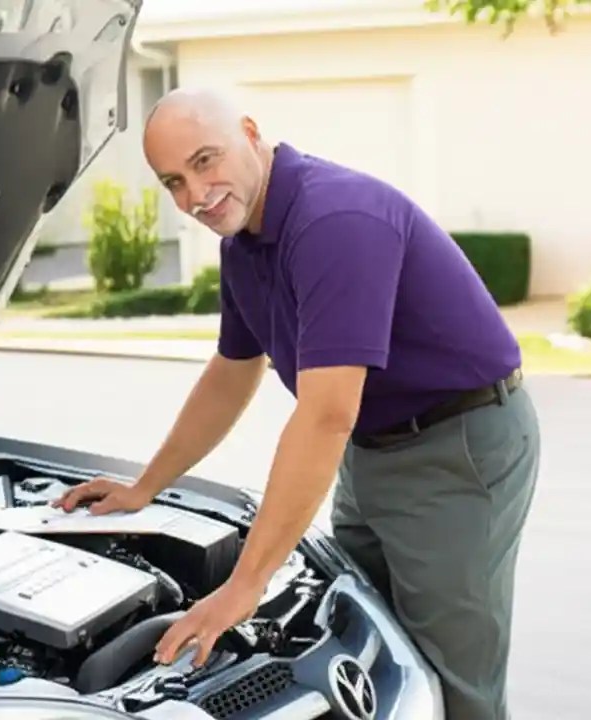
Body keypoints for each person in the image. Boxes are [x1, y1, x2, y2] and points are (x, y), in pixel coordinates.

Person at [52, 87, 540, 720]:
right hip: (372, 450)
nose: (195, 196)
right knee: (375, 658)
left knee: (453, 684)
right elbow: (232, 371)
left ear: (251, 133)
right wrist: (146, 487)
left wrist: (244, 586)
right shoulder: (244, 243)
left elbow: (325, 413)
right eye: (173, 181)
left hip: (456, 447)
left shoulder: (334, 221)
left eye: (205, 161)